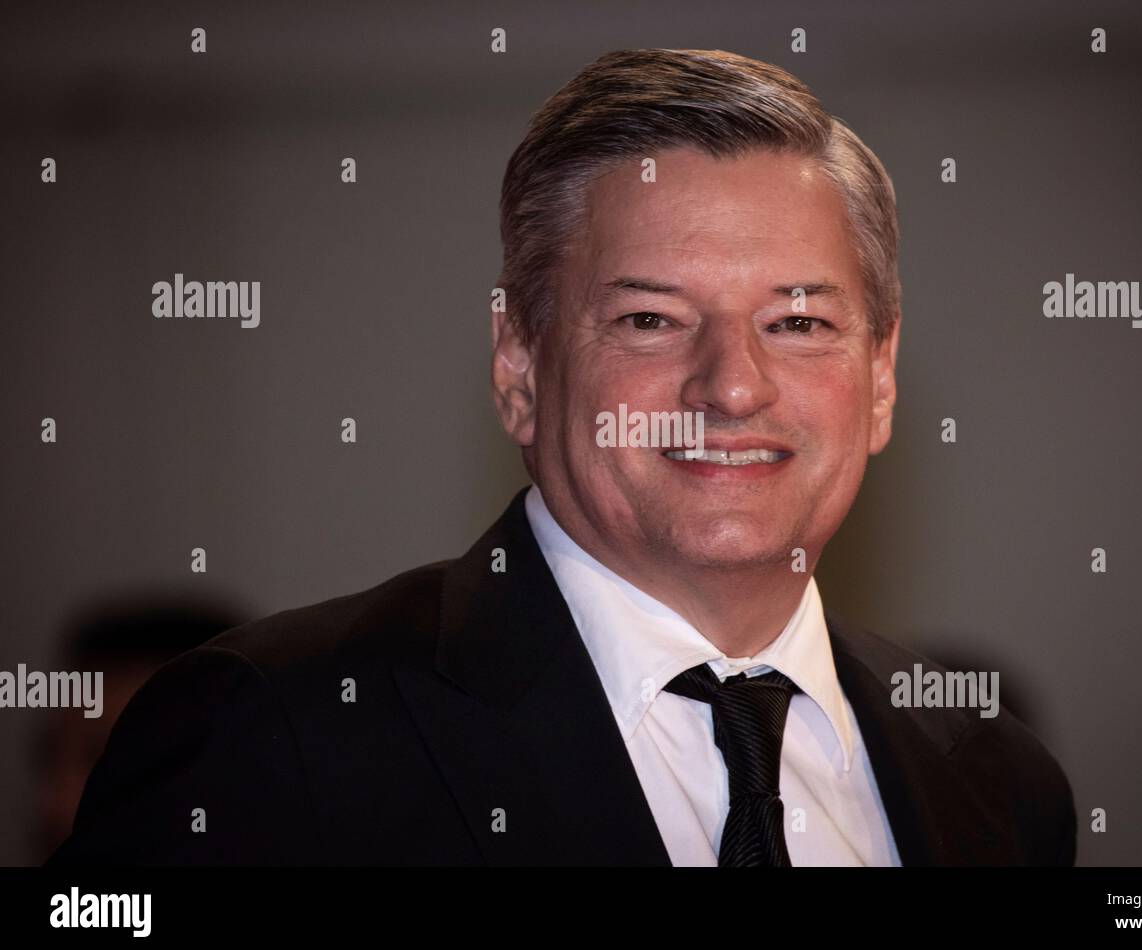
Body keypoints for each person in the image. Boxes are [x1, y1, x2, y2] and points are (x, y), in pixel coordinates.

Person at [48, 48, 1075, 867]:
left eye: (799, 323)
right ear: (519, 367)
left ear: (881, 376)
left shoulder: (995, 777)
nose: (731, 386)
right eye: (648, 318)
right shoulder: (267, 736)